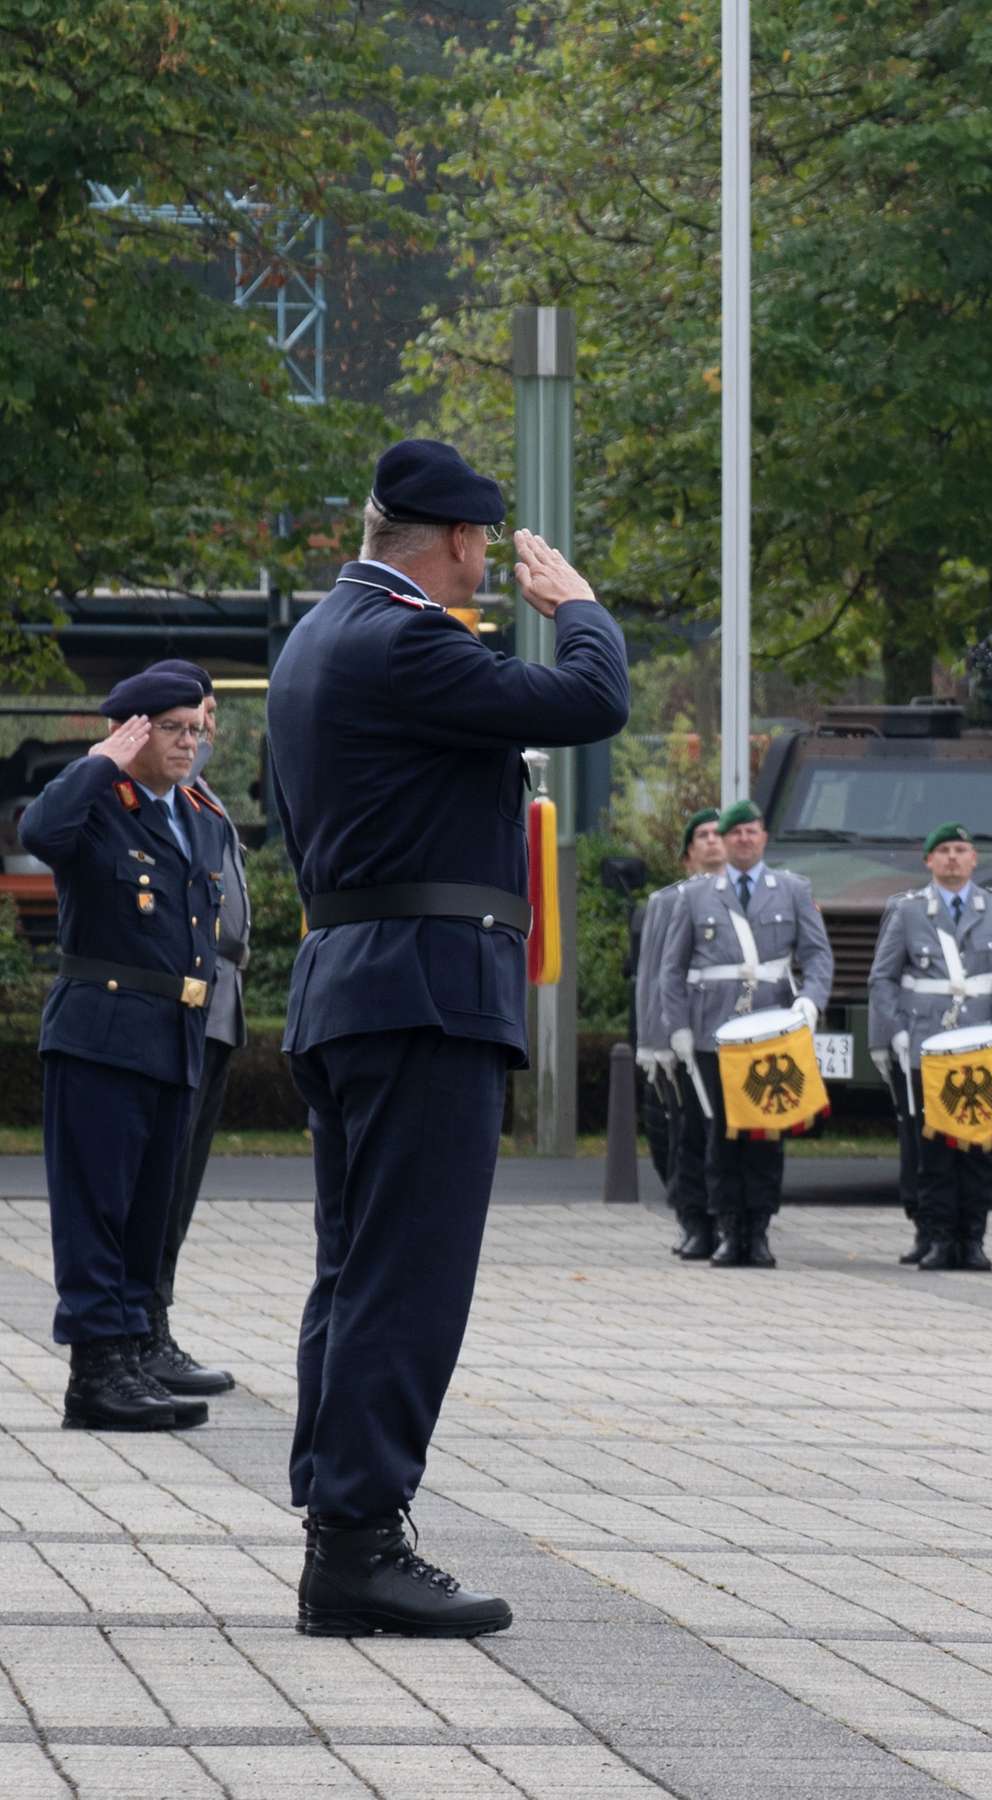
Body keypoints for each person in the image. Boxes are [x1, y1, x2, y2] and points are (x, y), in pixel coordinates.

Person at [271, 438, 629, 1635]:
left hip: (352, 977)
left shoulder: (316, 640)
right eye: (484, 547)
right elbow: (590, 700)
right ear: (465, 541)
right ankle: (359, 1541)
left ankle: (340, 1524)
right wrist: (579, 610)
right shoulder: (406, 639)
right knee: (408, 1277)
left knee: (357, 1269)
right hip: (422, 987)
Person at [28, 661, 225, 1433]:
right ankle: (96, 1371)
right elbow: (41, 833)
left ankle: (137, 1353)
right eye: (170, 729)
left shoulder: (195, 817)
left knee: (149, 1213)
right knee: (98, 1212)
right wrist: (98, 762)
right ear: (130, 732)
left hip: (174, 1038)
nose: (187, 743)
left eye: (195, 729)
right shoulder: (99, 806)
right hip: (102, 1036)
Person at [645, 800, 834, 1268]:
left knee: (766, 1136)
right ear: (725, 842)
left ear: (763, 837)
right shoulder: (695, 896)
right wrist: (678, 1028)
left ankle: (759, 1230)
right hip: (713, 1032)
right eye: (735, 833)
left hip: (773, 1031)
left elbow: (817, 955)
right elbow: (671, 970)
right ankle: (729, 1229)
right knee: (721, 1136)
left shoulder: (792, 889)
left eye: (752, 831)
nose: (744, 839)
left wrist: (811, 1000)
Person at [871, 824, 992, 1271]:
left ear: (974, 858)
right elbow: (883, 977)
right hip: (926, 1041)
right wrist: (895, 1029)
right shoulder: (908, 911)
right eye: (943, 850)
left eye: (960, 850)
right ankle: (939, 1236)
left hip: (982, 1043)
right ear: (928, 860)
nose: (952, 857)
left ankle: (973, 1237)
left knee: (979, 1147)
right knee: (934, 1147)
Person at [154, 688, 247, 1399]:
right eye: (187, 719)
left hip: (217, 1006)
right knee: (159, 1187)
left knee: (181, 1184)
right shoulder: (167, 795)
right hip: (180, 1006)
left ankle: (153, 1324)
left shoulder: (204, 797)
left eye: (207, 715)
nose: (202, 729)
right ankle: (143, 1331)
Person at [634, 809, 726, 1260]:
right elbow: (654, 976)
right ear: (689, 853)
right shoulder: (669, 901)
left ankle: (729, 1218)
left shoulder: (750, 897)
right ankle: (694, 1220)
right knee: (686, 1132)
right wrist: (656, 1042)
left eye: (718, 834)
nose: (712, 841)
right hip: (684, 1034)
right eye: (702, 835)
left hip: (732, 1035)